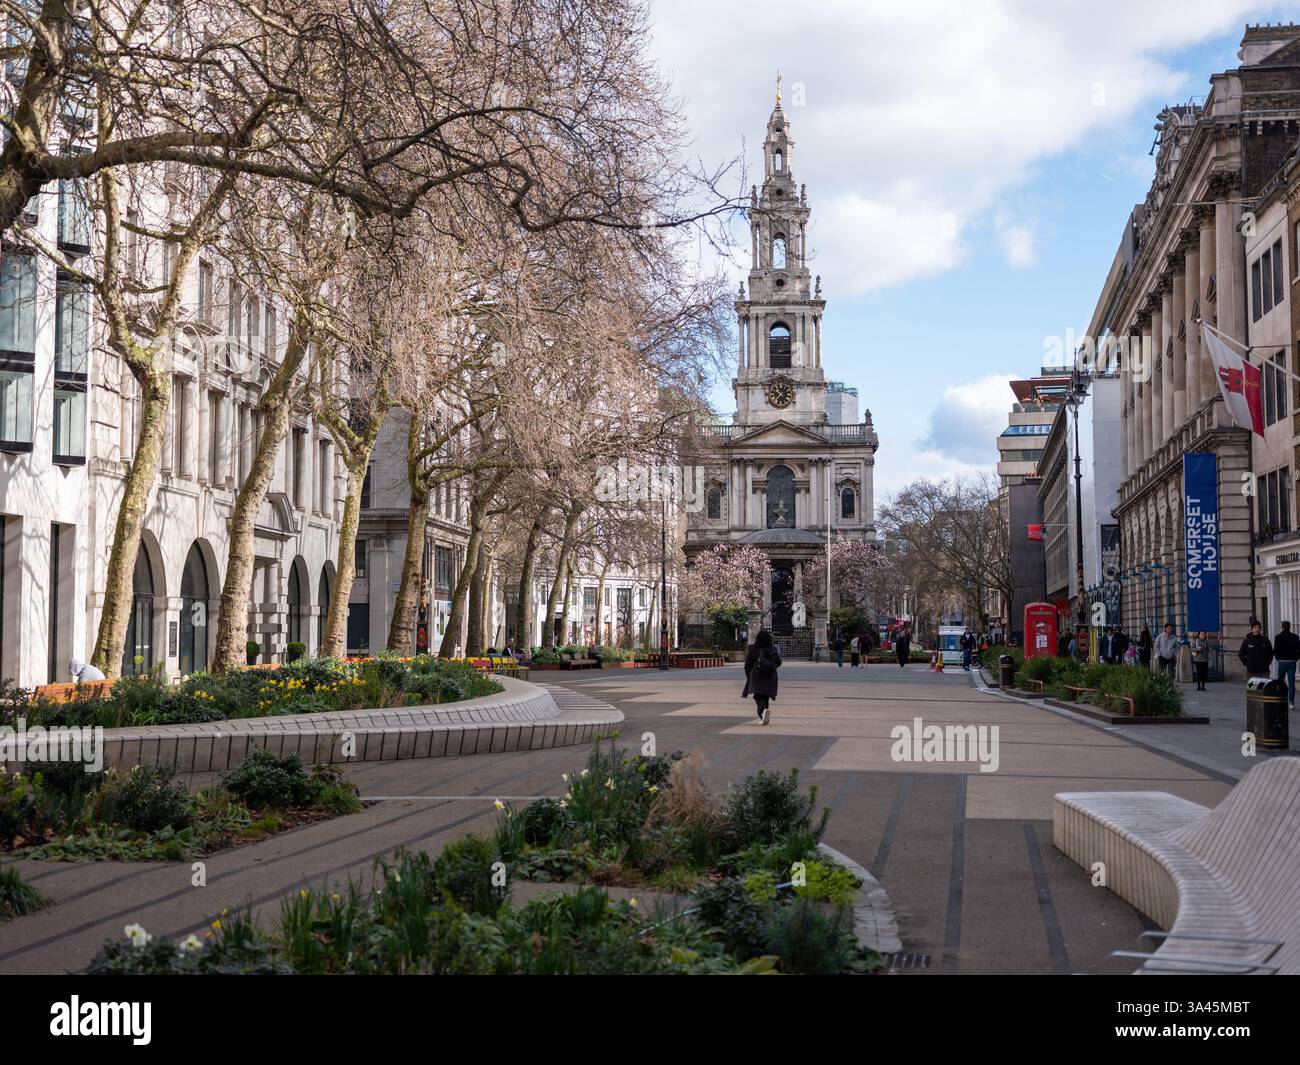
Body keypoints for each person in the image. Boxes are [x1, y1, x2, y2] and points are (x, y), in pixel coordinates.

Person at [742, 629, 781, 726]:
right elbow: (779, 662)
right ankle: (764, 713)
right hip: (770, 677)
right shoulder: (773, 649)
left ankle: (763, 713)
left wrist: (749, 675)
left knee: (758, 696)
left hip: (757, 676)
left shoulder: (752, 649)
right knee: (765, 697)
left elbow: (747, 665)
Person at [1274, 621, 1300, 709]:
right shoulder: (1295, 637)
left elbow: (1276, 650)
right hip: (1292, 662)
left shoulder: (1278, 637)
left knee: (1280, 682)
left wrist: (1278, 658)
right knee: (1291, 683)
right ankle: (1291, 702)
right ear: (1290, 627)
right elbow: (1299, 650)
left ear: (1282, 627)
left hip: (1282, 662)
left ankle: (1280, 700)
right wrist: (1295, 659)